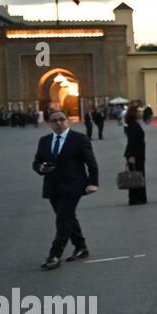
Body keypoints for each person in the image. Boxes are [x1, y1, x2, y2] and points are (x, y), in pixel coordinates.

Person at [33, 109, 99, 269]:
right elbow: (36, 163)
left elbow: (91, 163)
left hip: (73, 186)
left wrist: (93, 183)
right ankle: (81, 247)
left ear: (67, 121)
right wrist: (41, 168)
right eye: (54, 120)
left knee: (62, 219)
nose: (58, 123)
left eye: (61, 119)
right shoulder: (44, 141)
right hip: (52, 186)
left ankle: (54, 255)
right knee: (68, 217)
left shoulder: (79, 139)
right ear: (49, 123)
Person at [123, 104, 147, 205]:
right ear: (134, 113)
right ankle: (135, 198)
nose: (141, 113)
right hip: (135, 154)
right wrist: (131, 156)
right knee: (135, 176)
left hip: (138, 153)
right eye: (139, 111)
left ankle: (139, 197)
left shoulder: (134, 124)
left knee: (138, 175)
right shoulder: (133, 125)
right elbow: (132, 142)